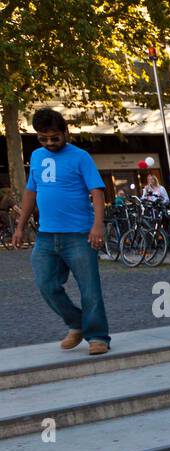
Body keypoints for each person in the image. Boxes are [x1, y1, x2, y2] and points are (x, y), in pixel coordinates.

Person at [11, 108, 110, 355]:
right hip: (46, 236)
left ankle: (98, 336)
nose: (49, 143)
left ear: (65, 132)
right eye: (43, 138)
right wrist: (20, 226)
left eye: (54, 137)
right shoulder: (35, 156)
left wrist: (98, 225)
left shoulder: (80, 156)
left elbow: (97, 192)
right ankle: (76, 323)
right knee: (45, 284)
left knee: (90, 289)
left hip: (79, 235)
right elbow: (31, 192)